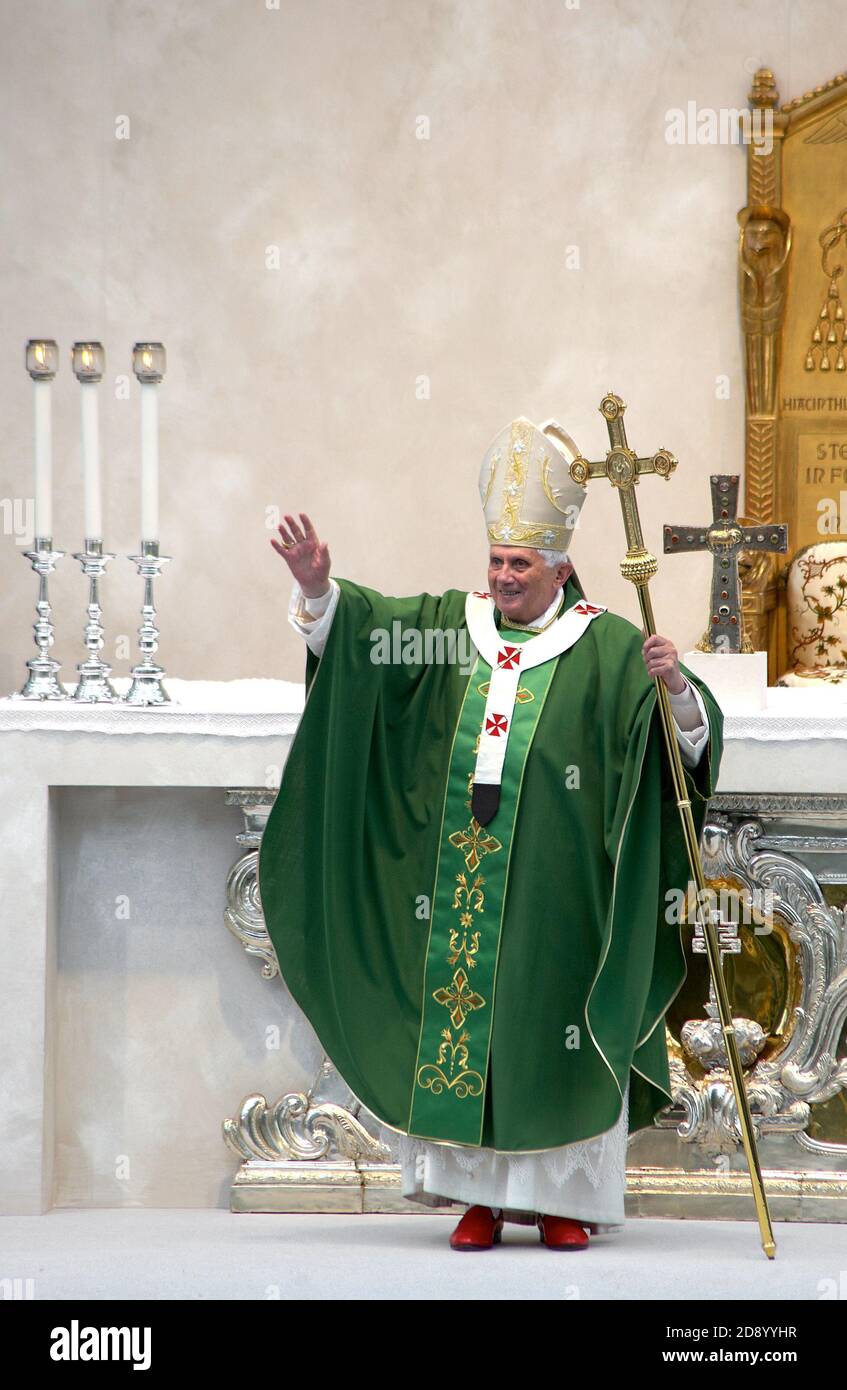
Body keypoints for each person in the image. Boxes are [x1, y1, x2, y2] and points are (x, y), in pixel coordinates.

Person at [258, 415, 723, 1251]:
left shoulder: (612, 648)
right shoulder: (447, 628)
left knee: (548, 1023)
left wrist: (676, 690)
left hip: (562, 887)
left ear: (560, 566)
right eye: (497, 561)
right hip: (456, 882)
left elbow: (678, 752)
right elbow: (363, 643)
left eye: (520, 564)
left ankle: (559, 1202)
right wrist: (319, 591)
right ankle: (473, 1197)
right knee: (465, 1021)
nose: (505, 577)